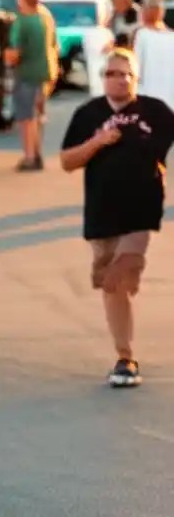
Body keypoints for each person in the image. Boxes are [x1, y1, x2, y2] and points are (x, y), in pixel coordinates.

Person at [59, 49, 174, 387]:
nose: (120, 79)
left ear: (135, 79)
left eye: (126, 74)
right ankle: (123, 350)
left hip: (142, 210)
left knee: (121, 275)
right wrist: (96, 142)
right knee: (110, 283)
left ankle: (126, 359)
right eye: (113, 73)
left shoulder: (155, 111)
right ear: (102, 77)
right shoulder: (88, 114)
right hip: (101, 214)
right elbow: (67, 161)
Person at [4, 0, 58, 170]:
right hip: (46, 72)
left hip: (27, 73)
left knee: (26, 117)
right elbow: (54, 45)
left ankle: (30, 157)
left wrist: (7, 59)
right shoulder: (45, 16)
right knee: (38, 114)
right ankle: (37, 152)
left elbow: (15, 54)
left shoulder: (23, 21)